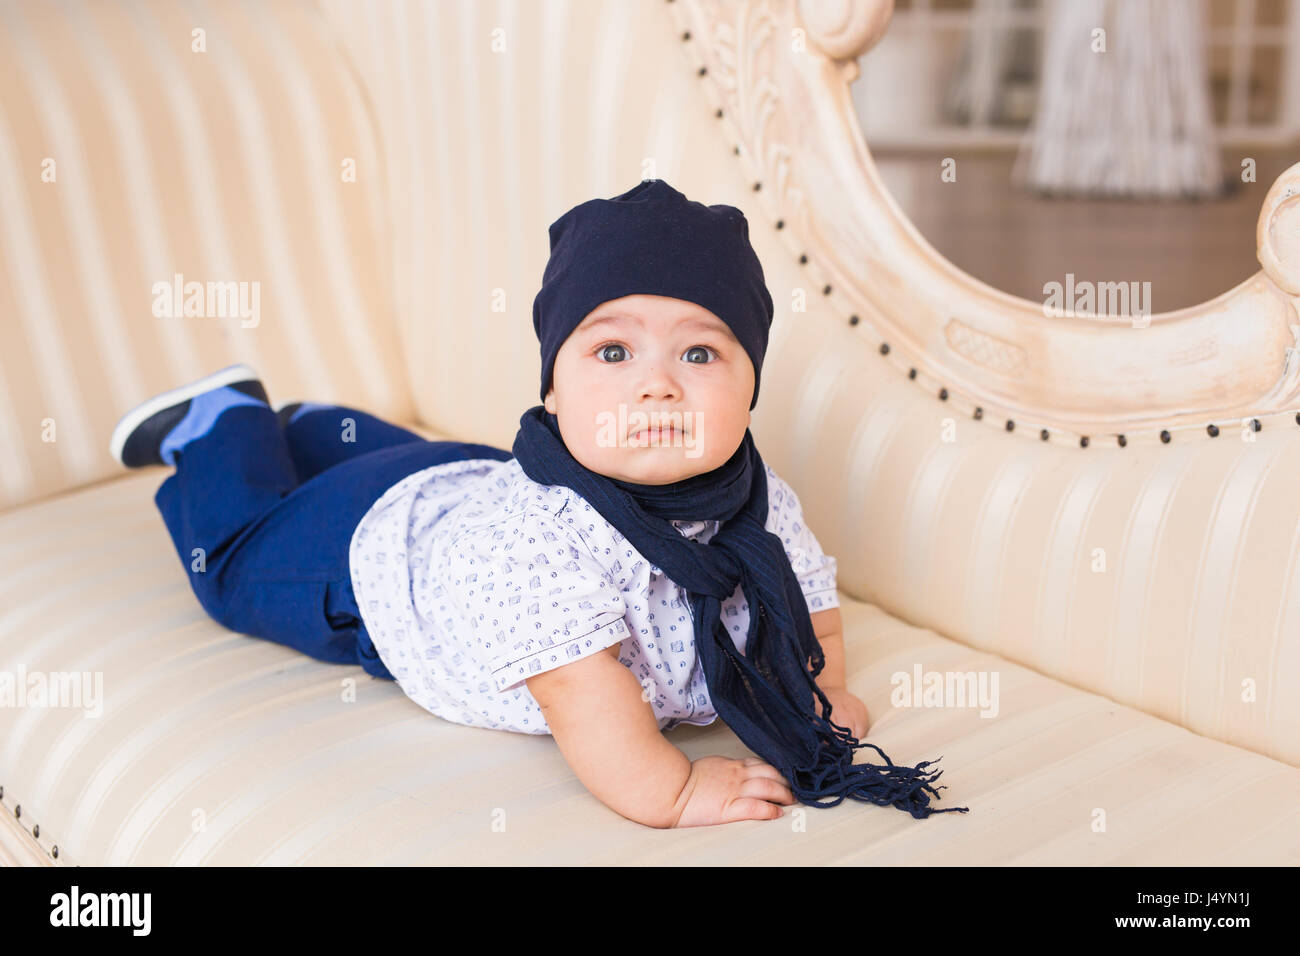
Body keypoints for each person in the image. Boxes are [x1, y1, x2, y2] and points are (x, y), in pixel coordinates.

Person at [109, 179, 965, 828]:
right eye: (614, 351)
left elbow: (810, 604)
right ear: (552, 391)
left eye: (700, 355)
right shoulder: (539, 544)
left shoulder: (757, 494)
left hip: (470, 479)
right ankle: (224, 423)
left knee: (391, 461)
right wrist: (672, 790)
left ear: (750, 388)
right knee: (236, 565)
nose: (658, 387)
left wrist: (825, 693)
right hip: (381, 556)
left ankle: (315, 431)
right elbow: (585, 702)